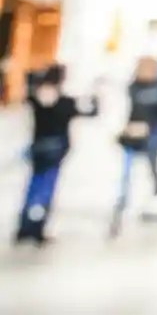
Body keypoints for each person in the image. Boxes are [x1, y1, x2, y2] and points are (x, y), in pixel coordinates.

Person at [13, 64, 100, 246]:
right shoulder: (65, 102)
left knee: (33, 187)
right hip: (56, 149)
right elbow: (91, 112)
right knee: (46, 190)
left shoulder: (35, 99)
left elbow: (23, 92)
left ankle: (24, 227)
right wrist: (96, 97)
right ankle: (38, 228)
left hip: (38, 147)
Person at [110, 58, 157, 238]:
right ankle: (124, 199)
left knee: (153, 165)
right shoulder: (134, 86)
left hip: (152, 131)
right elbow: (130, 108)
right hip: (134, 131)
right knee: (128, 169)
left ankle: (156, 196)